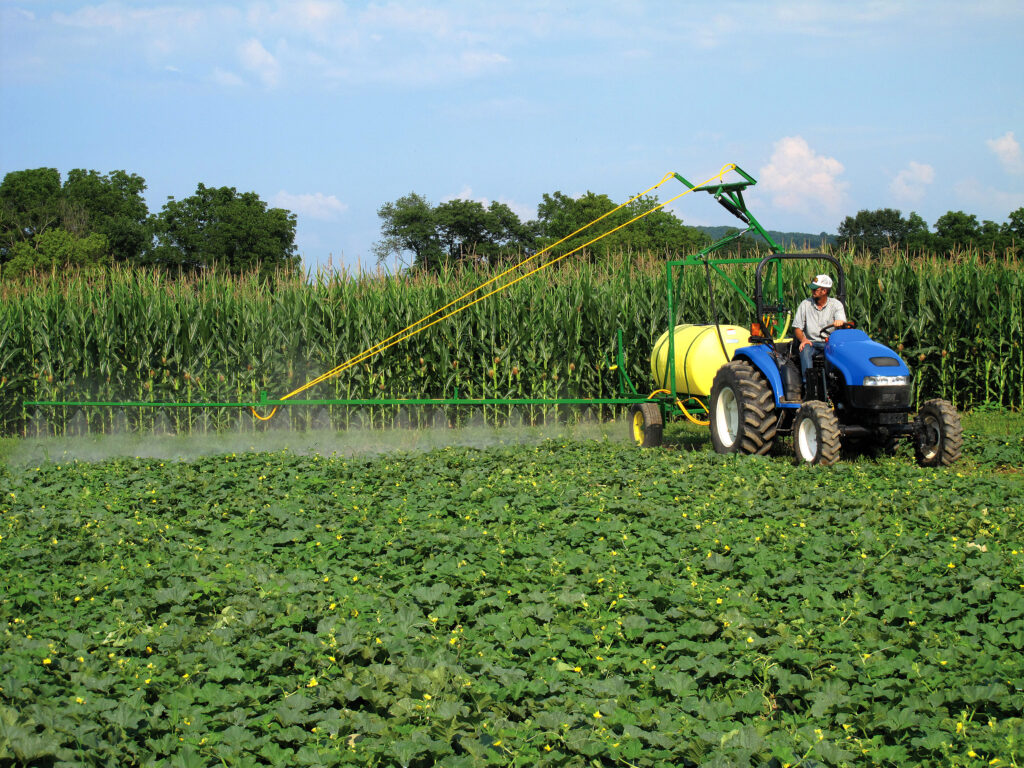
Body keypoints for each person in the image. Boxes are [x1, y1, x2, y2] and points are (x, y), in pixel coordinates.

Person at [792, 274, 851, 387]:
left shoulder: (836, 305)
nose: (812, 291)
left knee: (835, 351)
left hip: (829, 342)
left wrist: (839, 322)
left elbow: (841, 321)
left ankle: (832, 383)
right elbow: (797, 328)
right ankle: (809, 385)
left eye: (815, 289)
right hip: (811, 343)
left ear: (824, 291)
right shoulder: (805, 304)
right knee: (805, 350)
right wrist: (803, 339)